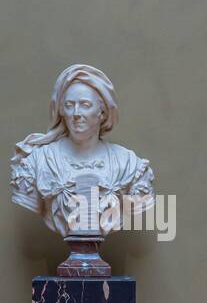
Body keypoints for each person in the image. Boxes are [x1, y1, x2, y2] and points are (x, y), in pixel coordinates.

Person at [10, 64, 154, 237]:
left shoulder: (128, 164)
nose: (76, 113)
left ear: (102, 111)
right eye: (69, 105)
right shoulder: (39, 161)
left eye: (85, 104)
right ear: (62, 110)